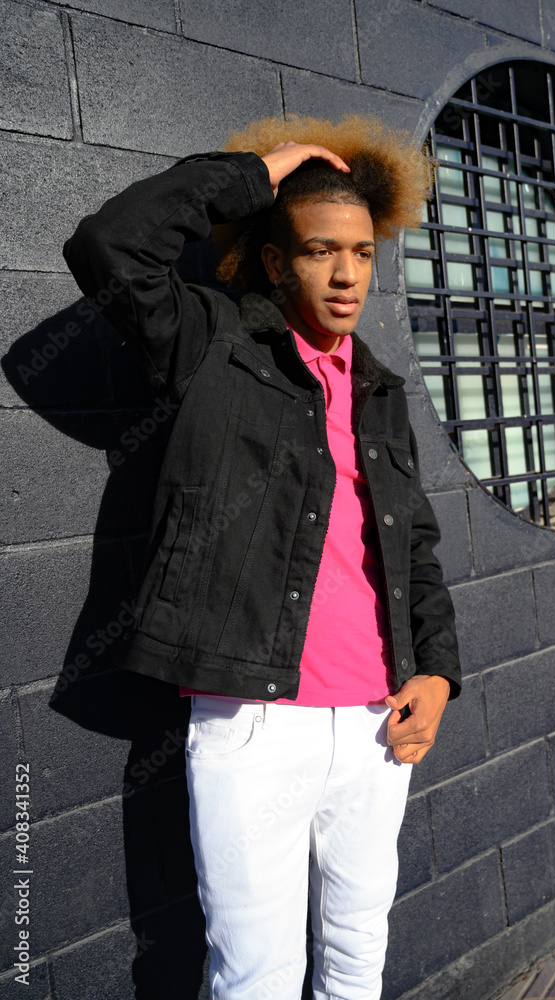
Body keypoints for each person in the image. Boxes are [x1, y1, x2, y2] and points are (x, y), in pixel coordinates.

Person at [63, 113, 461, 1000]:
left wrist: (436, 674)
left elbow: (413, 545)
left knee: (360, 949)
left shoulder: (381, 391)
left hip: (375, 725)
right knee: (255, 974)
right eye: (321, 251)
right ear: (277, 263)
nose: (348, 273)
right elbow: (108, 247)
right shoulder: (214, 343)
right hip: (254, 722)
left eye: (361, 252)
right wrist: (257, 172)